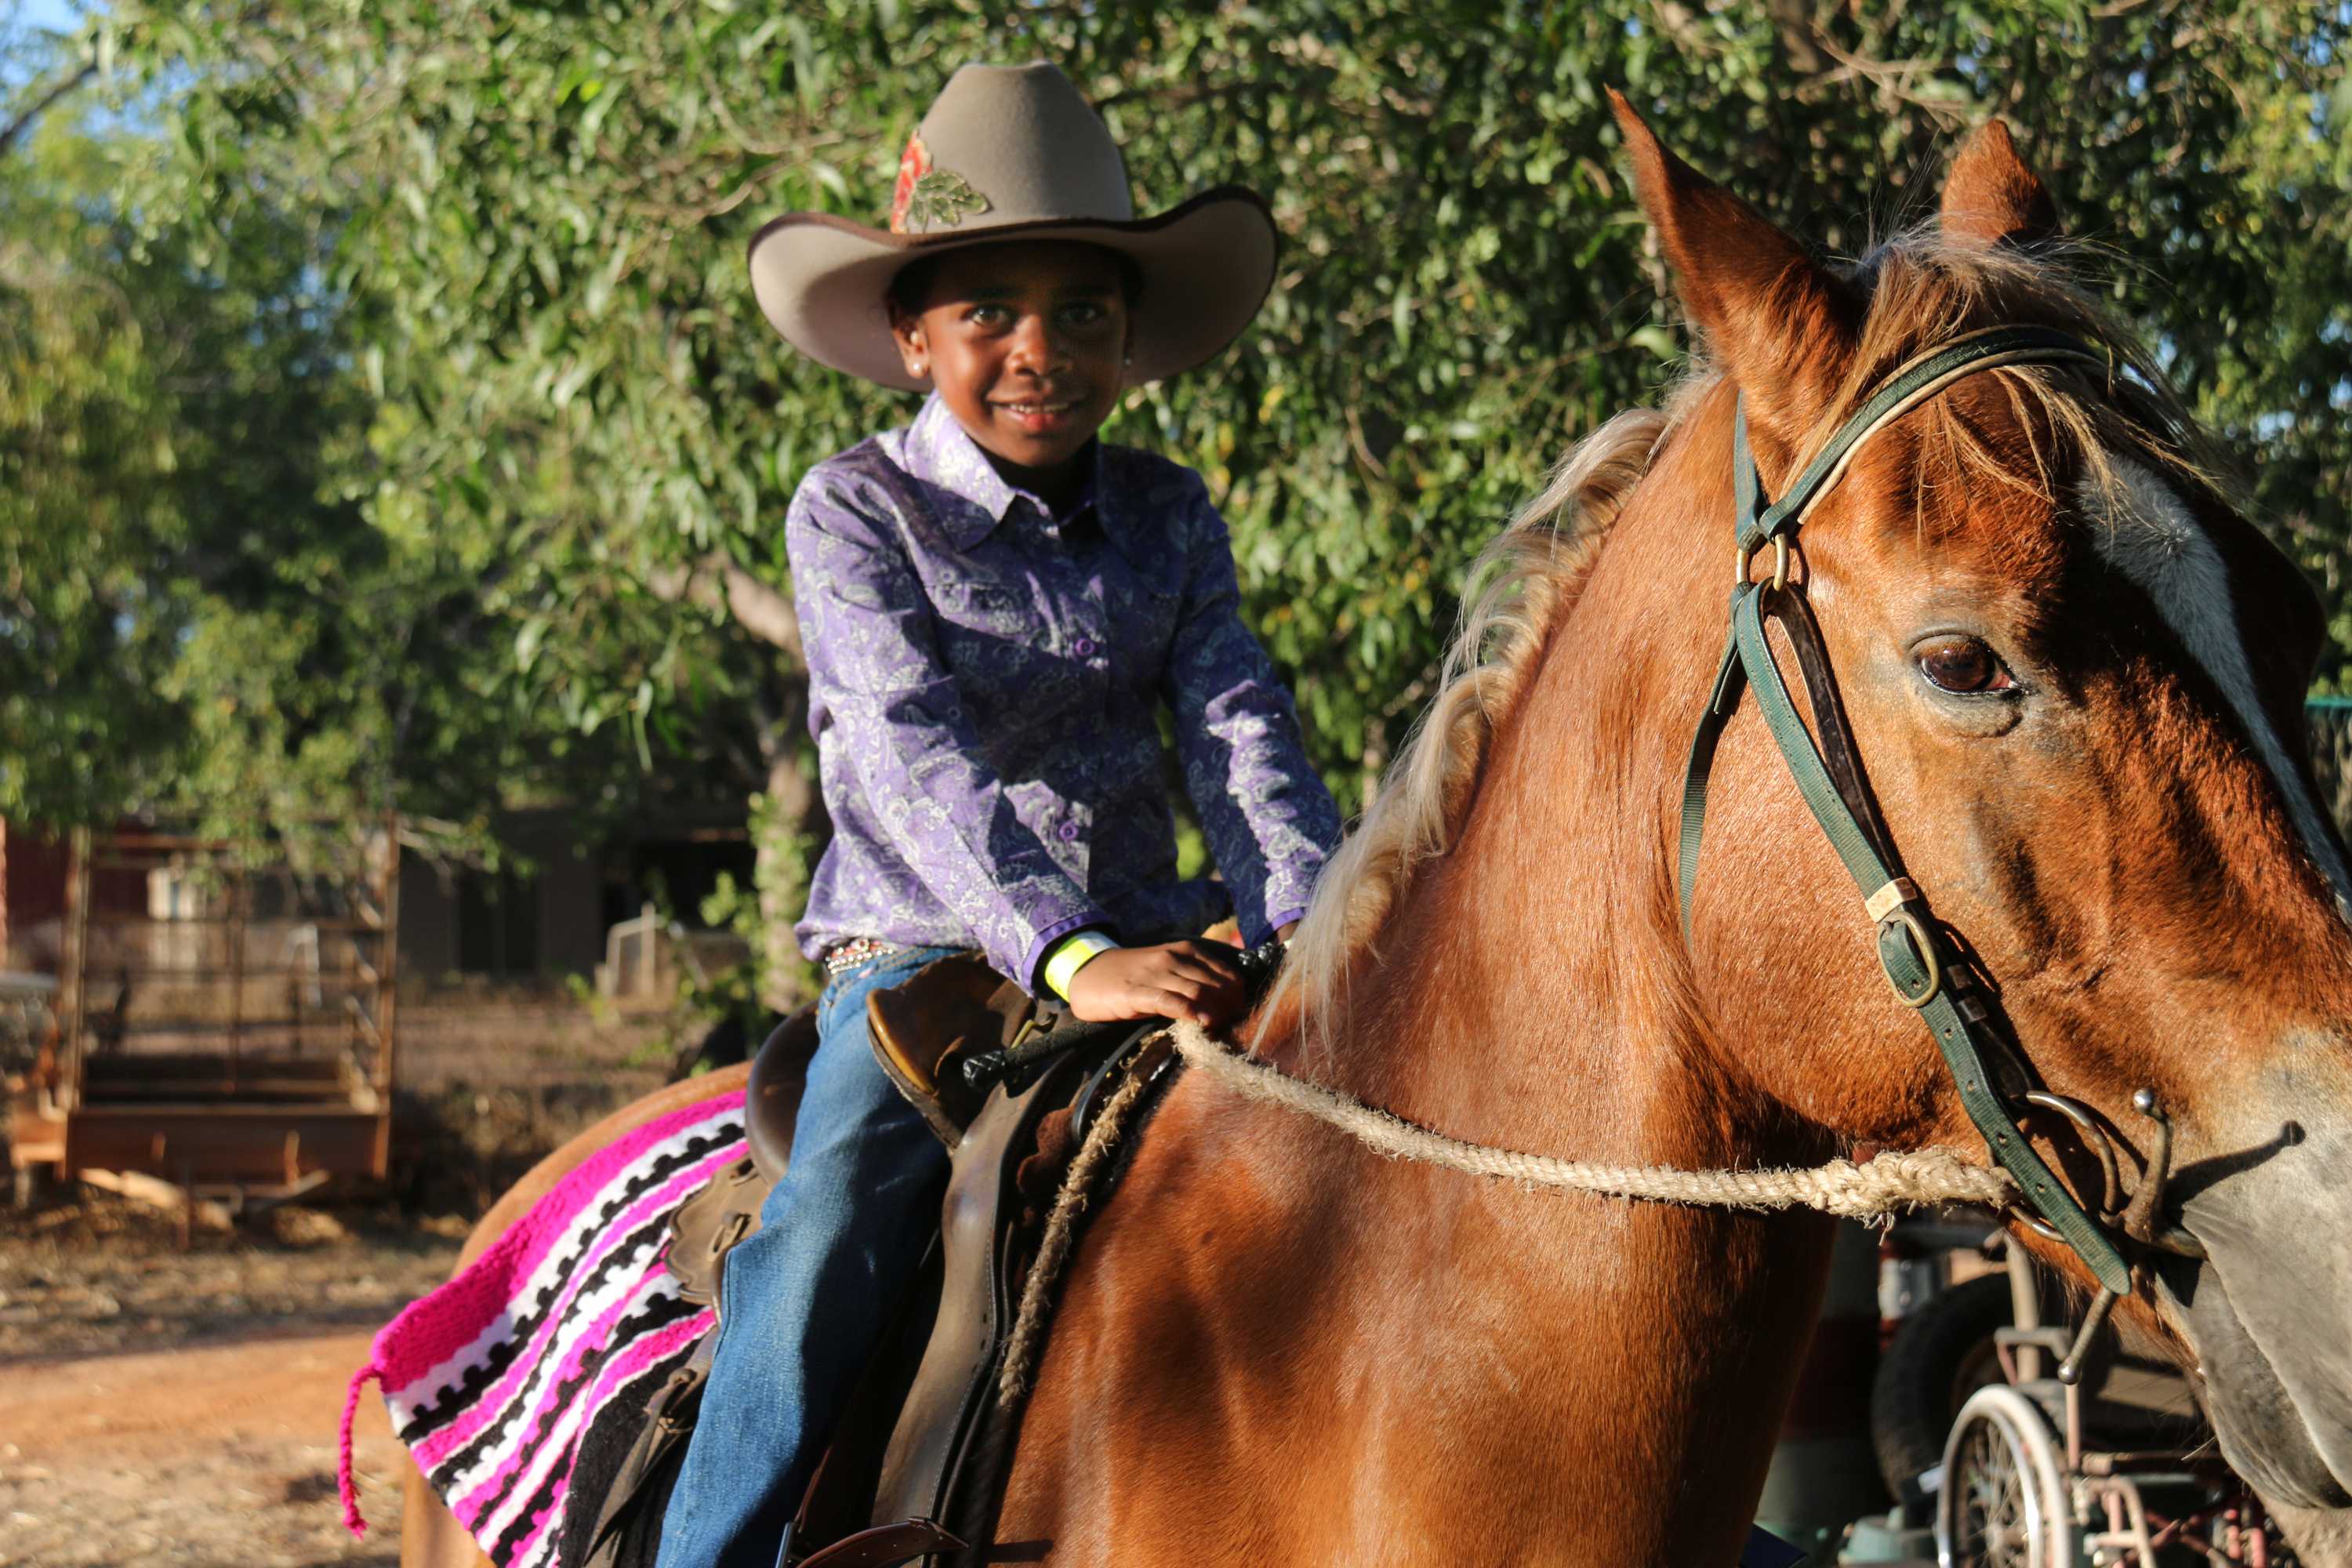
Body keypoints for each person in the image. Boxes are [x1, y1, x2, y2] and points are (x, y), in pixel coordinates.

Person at [655, 60, 1342, 1568]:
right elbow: (909, 756)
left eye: (1083, 312)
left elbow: (1238, 727)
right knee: (833, 1224)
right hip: (926, 963)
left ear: (1128, 336)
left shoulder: (1167, 513)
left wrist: (1312, 918)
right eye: (991, 315)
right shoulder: (854, 510)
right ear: (914, 337)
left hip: (1165, 946)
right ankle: (703, 1554)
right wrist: (1066, 951)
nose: (1043, 351)